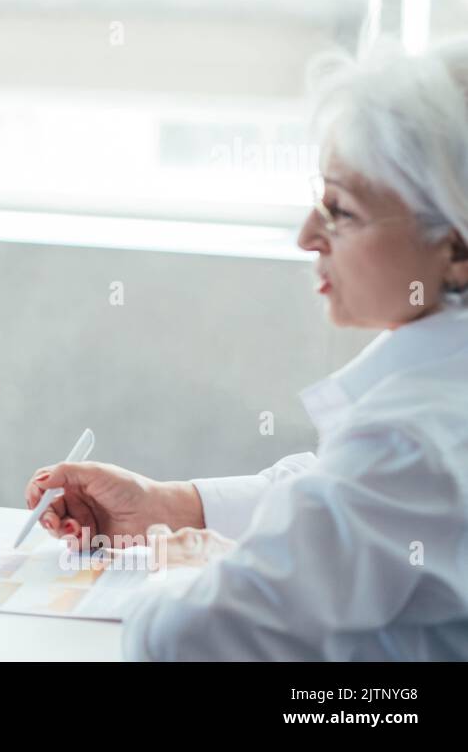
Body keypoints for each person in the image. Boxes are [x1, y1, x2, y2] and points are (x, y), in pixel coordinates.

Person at [26, 39, 468, 661]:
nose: (307, 235)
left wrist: (182, 569)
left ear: (454, 248)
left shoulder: (413, 437)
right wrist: (174, 508)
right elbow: (337, 492)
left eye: (341, 210)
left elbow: (189, 641)